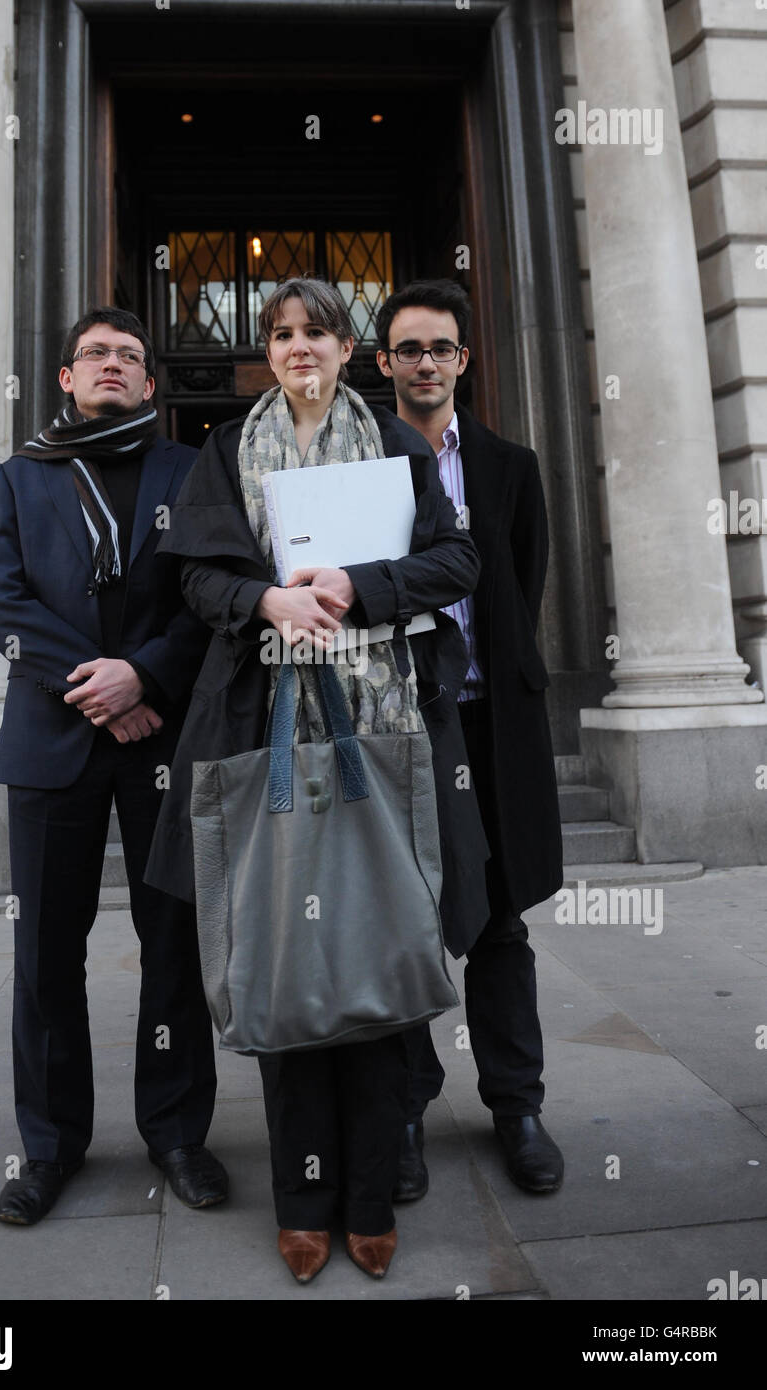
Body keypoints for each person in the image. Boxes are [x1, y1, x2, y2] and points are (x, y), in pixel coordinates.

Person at [145, 277, 490, 1283]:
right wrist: (267, 601)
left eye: (318, 332)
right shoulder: (225, 450)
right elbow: (195, 576)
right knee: (287, 957)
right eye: (282, 333)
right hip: (262, 734)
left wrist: (357, 587)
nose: (300, 346)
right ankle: (302, 1202)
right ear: (268, 351)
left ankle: (371, 1195)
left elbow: (458, 562)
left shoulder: (397, 447)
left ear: (347, 348)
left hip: (384, 732)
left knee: (378, 951)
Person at [0, 307, 227, 1225]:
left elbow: (208, 596)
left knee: (174, 945)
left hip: (165, 738)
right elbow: (2, 606)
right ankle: (50, 1147)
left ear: (150, 383)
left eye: (128, 355)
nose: (111, 364)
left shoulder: (189, 471)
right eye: (95, 354)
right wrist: (104, 688)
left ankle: (178, 1134)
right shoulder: (20, 477)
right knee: (46, 953)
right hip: (53, 741)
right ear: (67, 378)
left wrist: (144, 676)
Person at [375, 279, 564, 1198]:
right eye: (409, 348)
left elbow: (522, 585)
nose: (426, 363)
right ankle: (406, 1112)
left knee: (500, 918)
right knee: (403, 919)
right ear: (385, 362)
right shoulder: (360, 460)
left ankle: (517, 1107)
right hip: (397, 725)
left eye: (441, 347)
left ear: (464, 360)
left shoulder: (511, 465)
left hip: (490, 724)